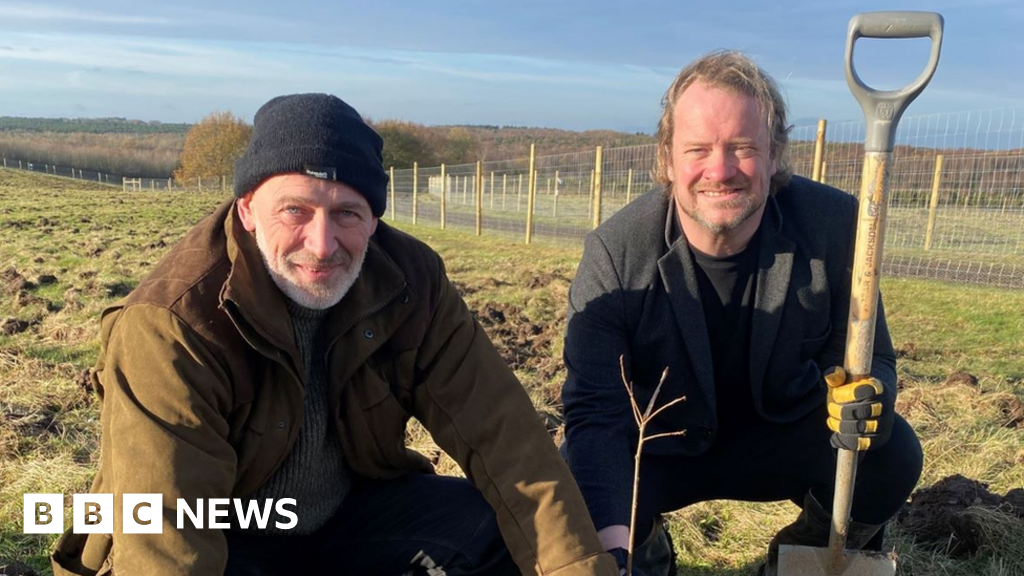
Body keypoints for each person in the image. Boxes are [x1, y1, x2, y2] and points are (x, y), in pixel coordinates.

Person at [52, 93, 617, 576]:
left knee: (501, 530)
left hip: (347, 515)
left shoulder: (411, 282)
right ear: (247, 210)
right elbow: (165, 525)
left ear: (374, 218)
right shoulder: (171, 323)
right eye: (294, 210)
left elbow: (507, 440)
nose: (322, 245)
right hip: (224, 536)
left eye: (347, 213)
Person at [560, 51, 923, 576]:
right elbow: (596, 413)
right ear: (667, 159)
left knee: (893, 452)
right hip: (662, 445)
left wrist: (872, 401)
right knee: (575, 471)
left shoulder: (836, 226)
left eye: (743, 148)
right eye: (698, 149)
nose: (721, 170)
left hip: (786, 430)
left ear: (775, 155)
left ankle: (799, 561)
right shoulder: (615, 254)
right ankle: (644, 556)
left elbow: (875, 359)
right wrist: (610, 554)